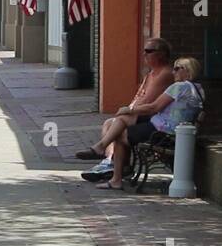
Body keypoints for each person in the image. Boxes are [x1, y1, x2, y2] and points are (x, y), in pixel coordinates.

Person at [76, 57, 205, 190]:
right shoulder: (199, 90)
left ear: (188, 71)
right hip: (173, 129)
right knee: (123, 119)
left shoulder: (179, 87)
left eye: (177, 68)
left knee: (119, 135)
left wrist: (130, 109)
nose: (173, 72)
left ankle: (116, 178)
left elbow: (154, 107)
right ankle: (101, 147)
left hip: (162, 131)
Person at [81, 38, 174, 182]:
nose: (144, 54)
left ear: (161, 54)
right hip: (143, 114)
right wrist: (129, 108)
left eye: (149, 51)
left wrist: (129, 110)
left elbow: (149, 102)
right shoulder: (150, 74)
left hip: (155, 118)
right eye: (144, 50)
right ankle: (112, 163)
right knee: (110, 123)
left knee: (119, 125)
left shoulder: (165, 74)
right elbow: (138, 98)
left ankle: (108, 158)